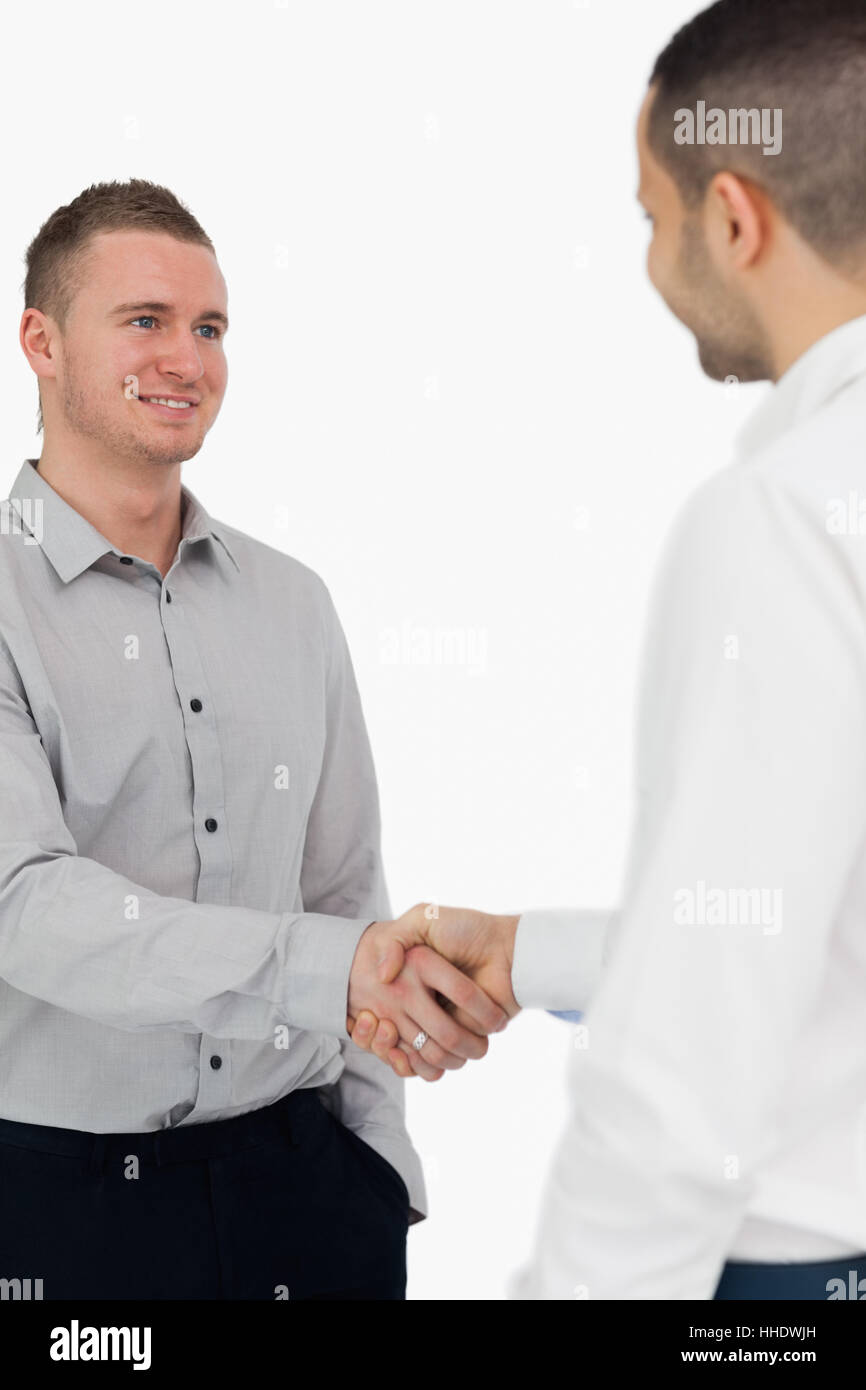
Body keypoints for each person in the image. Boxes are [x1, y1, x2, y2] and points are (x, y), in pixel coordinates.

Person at [348, 0, 866, 1299]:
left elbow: (690, 1061)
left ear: (734, 218)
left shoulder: (781, 517)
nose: (648, 260)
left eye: (652, 216)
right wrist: (531, 952)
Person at [0, 180, 507, 1301]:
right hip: (59, 1214)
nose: (188, 357)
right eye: (144, 320)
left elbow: (343, 885)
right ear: (40, 339)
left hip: (307, 1190)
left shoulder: (293, 601)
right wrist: (325, 973)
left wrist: (382, 1175)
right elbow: (24, 905)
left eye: (210, 327)